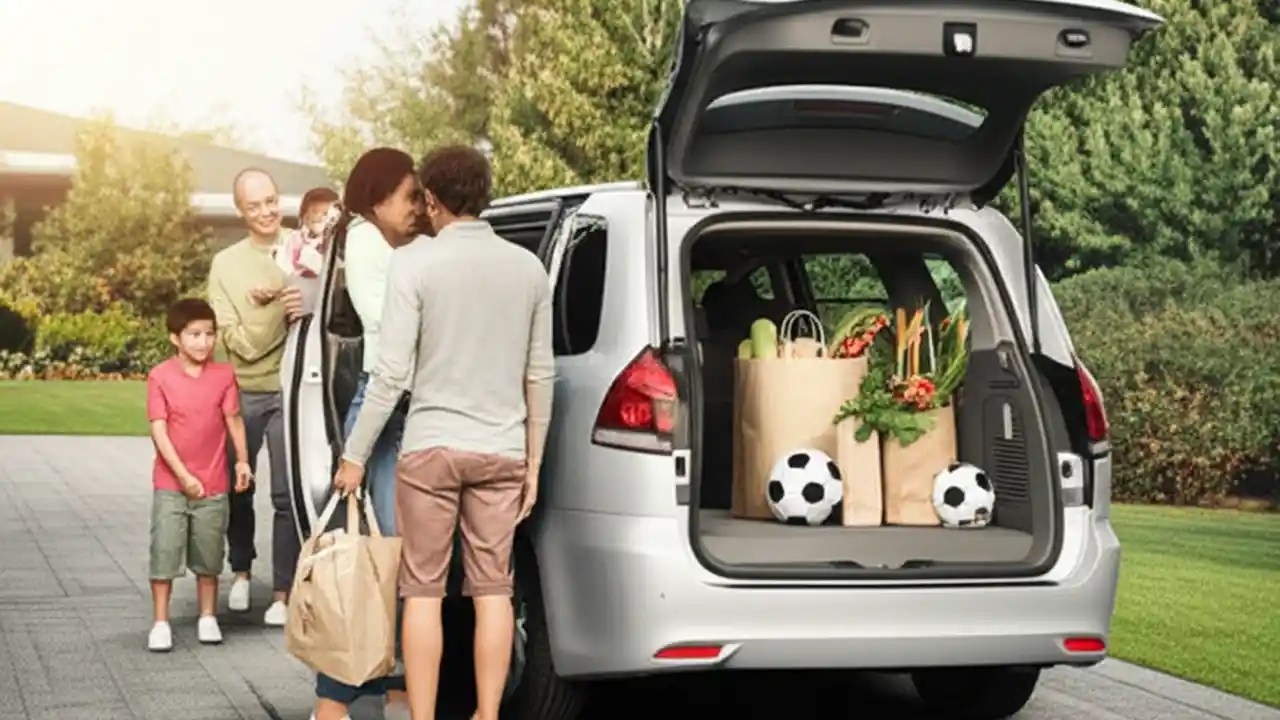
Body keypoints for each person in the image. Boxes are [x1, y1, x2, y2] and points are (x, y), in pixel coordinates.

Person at [333, 145, 555, 720]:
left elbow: (391, 374)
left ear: (431, 198)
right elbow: (540, 375)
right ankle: (486, 714)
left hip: (429, 448)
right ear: (484, 195)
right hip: (502, 450)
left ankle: (425, 717)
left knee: (422, 592)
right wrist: (534, 462)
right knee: (493, 591)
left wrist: (355, 454)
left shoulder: (415, 263)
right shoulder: (529, 268)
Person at [311, 147, 421, 720]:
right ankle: (334, 699)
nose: (417, 208)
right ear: (377, 199)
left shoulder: (378, 241)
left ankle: (365, 694)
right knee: (370, 563)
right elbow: (390, 327)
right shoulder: (368, 241)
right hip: (384, 401)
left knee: (380, 559)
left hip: (388, 402)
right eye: (408, 196)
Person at [207, 167, 307, 627]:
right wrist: (281, 308)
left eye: (271, 200)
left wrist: (289, 294)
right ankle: (242, 571)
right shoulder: (226, 265)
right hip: (244, 394)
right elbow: (237, 343)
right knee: (238, 490)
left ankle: (284, 591)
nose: (267, 211)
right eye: (255, 205)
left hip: (291, 391)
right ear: (240, 211)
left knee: (288, 497)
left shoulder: (305, 250)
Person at [146, 298, 253, 652]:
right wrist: (182, 475)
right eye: (194, 334)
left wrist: (242, 461)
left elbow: (233, 419)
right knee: (165, 550)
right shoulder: (160, 376)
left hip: (213, 482)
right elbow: (159, 431)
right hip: (171, 484)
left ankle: (208, 617)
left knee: (210, 553)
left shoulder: (224, 375)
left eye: (209, 334)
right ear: (175, 338)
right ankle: (160, 621)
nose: (203, 342)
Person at [274, 186, 341, 279]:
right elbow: (282, 269)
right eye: (314, 211)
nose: (318, 217)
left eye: (325, 213)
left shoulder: (336, 242)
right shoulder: (292, 240)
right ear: (303, 215)